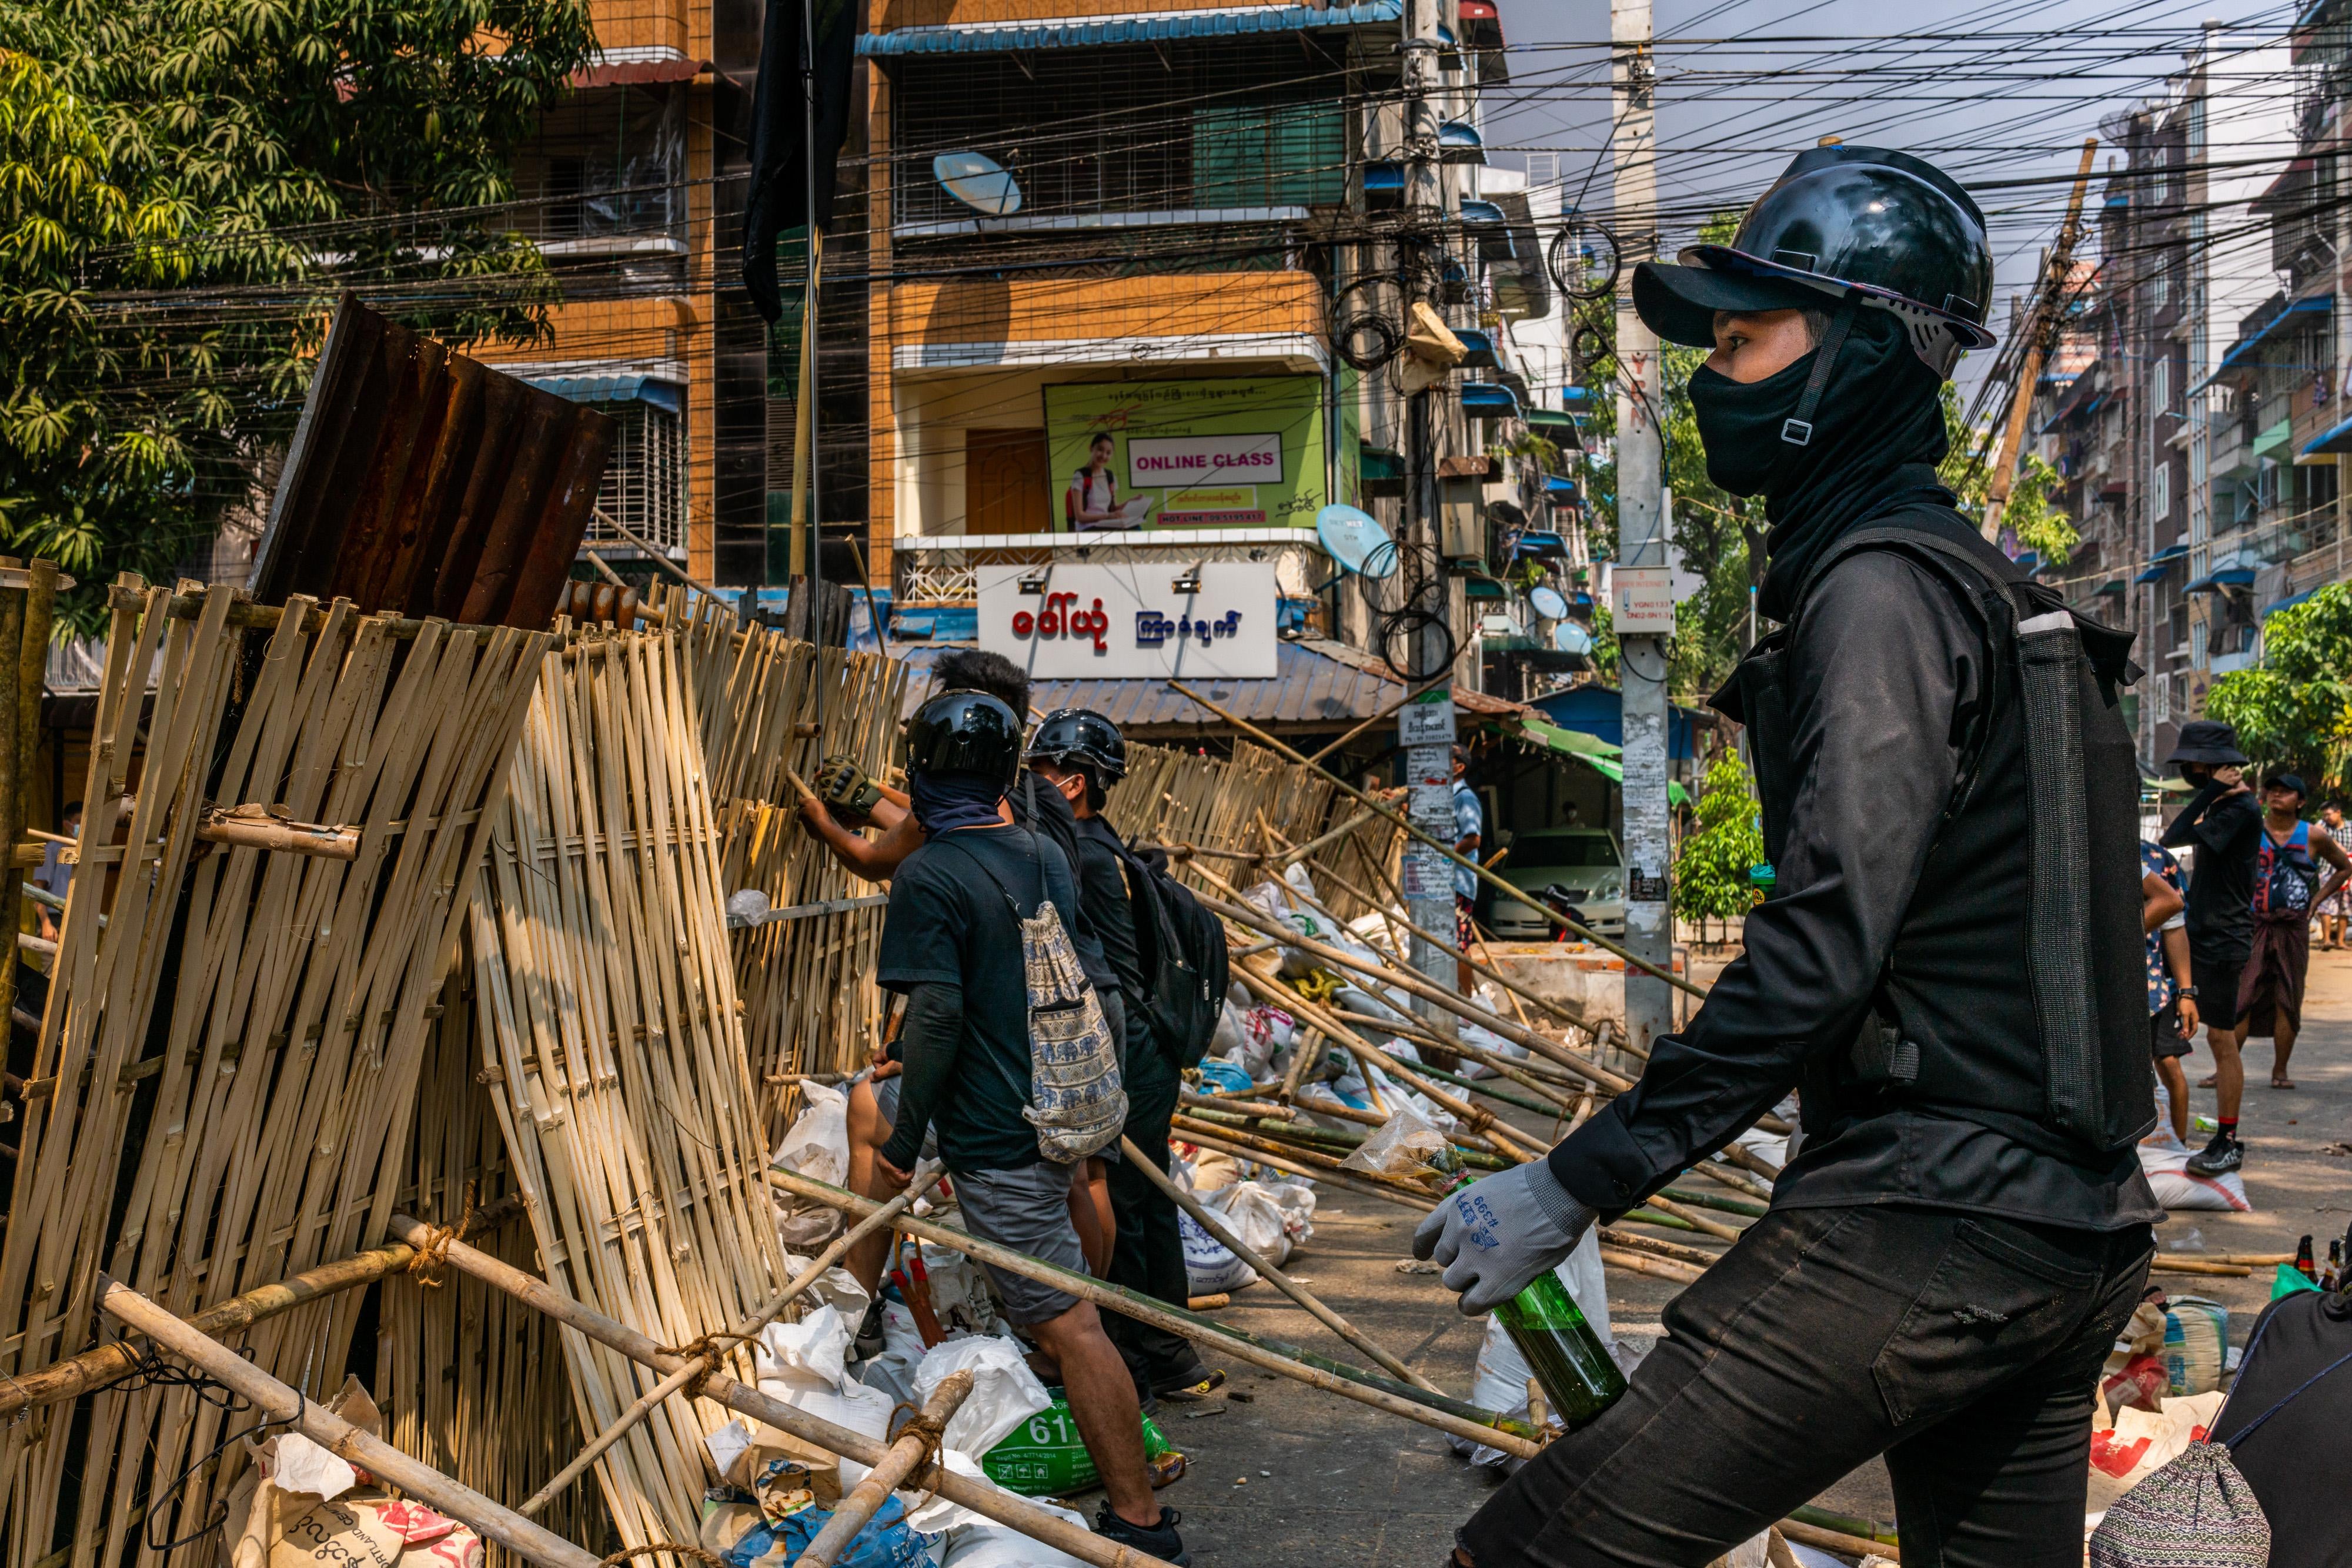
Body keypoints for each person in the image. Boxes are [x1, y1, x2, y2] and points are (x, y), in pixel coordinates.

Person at [1415, 146, 2159, 1568]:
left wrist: (1578, 1181)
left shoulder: (1875, 592)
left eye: (1745, 337)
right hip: (2068, 1232)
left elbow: (1823, 943)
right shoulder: (1983, 591)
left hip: (1924, 1223)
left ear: (1859, 354)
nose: (1713, 377)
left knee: (1516, 1558)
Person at [871, 688, 1185, 1563]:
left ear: (924, 768)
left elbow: (935, 1016)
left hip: (1001, 1132)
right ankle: (1091, 1408)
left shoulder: (929, 875)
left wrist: (905, 1145)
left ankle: (1141, 1522)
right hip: (1062, 1106)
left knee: (1070, 1322)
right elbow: (1066, 973)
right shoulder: (1043, 851)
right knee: (1071, 1307)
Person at [1027, 709, 1221, 1406]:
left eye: (1039, 774)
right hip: (1147, 1041)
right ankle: (1167, 1352)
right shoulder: (1098, 845)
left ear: (1072, 783)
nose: (1028, 788)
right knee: (1144, 1199)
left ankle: (1137, 1360)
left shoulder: (1075, 854)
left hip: (1129, 1041)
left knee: (1127, 1201)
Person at [2161, 720, 2266, 1176]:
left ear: (2218, 766)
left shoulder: (2240, 806)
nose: (2193, 771)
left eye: (2200, 764)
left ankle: (2228, 1140)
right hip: (2201, 930)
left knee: (2222, 1038)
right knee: (2170, 1029)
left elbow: (2173, 834)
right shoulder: (2225, 804)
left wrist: (2210, 793)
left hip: (2224, 937)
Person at [2237, 771, 2350, 1092]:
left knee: (2288, 997)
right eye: (2272, 790)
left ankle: (2280, 1071)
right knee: (2243, 995)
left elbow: (2344, 865)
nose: (2276, 796)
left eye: (2285, 792)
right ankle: (2228, 1067)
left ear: (2300, 802)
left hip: (2293, 925)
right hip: (2254, 923)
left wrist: (2316, 901)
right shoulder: (2252, 830)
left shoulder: (2312, 835)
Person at [2143, 840, 2196, 1143]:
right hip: (2093, 992)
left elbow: (2174, 921)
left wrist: (2186, 993)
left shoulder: (2156, 857)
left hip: (2151, 989)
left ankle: (2179, 1146)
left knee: (2167, 1063)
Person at [33, 799, 79, 944]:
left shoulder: (88, 852)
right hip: (54, 918)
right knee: (53, 966)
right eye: (78, 821)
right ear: (67, 824)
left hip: (77, 917)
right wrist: (46, 923)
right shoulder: (52, 849)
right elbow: (37, 887)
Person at [1065, 434, 1131, 531]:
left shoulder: (1110, 477)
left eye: (1108, 453)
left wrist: (1130, 503)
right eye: (1100, 450)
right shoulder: (1080, 476)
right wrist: (1108, 516)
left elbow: (1112, 508)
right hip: (1087, 529)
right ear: (1091, 448)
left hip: (1106, 525)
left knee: (1136, 528)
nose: (1104, 456)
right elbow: (1080, 516)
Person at [2317, 800, 2352, 948]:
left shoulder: (2351, 827)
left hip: (2349, 871)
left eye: (2329, 814)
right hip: (2328, 870)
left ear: (2338, 813)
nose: (2326, 817)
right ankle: (2326, 940)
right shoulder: (2322, 826)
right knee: (2326, 904)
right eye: (2324, 815)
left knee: (2345, 906)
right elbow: (2315, 830)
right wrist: (2336, 845)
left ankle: (2340, 941)